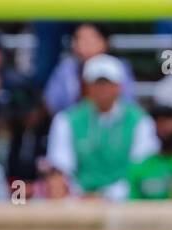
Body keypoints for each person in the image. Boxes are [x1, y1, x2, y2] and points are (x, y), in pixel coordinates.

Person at [45, 54, 157, 200]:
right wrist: (81, 195)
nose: (102, 89)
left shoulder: (140, 121)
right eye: (96, 83)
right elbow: (61, 168)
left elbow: (141, 170)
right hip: (79, 201)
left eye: (107, 83)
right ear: (87, 87)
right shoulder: (66, 120)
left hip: (125, 202)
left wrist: (106, 196)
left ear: (119, 86)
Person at [42, 22, 136, 114]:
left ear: (105, 42)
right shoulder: (66, 67)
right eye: (79, 38)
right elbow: (52, 102)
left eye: (91, 39)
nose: (84, 44)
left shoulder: (119, 67)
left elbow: (128, 102)